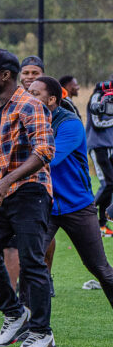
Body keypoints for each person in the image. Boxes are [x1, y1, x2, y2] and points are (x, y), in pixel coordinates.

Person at [0, 47, 56, 347]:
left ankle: (43, 334)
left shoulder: (30, 105)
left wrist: (7, 181)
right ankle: (14, 311)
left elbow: (45, 150)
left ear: (5, 75)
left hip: (30, 192)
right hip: (0, 192)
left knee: (32, 261)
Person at [28, 76, 113, 308]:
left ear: (52, 99)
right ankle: (32, 327)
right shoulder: (27, 121)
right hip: (44, 206)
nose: (29, 96)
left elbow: (49, 159)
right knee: (31, 263)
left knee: (99, 268)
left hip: (77, 206)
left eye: (35, 93)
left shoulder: (70, 124)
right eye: (28, 92)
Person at [85, 75, 113, 236]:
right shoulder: (98, 96)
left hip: (110, 145)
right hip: (98, 145)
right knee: (107, 183)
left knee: (111, 184)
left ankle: (102, 224)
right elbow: (97, 122)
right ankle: (88, 219)